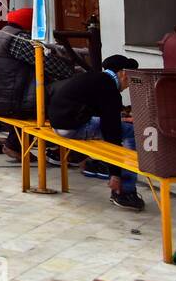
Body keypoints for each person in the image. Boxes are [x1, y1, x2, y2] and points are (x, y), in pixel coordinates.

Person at [46, 55, 143, 210]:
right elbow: (111, 132)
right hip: (73, 127)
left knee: (119, 125)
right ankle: (125, 191)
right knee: (130, 131)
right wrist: (115, 174)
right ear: (123, 73)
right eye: (130, 79)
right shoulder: (110, 89)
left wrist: (118, 118)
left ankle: (123, 187)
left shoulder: (95, 78)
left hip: (57, 124)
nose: (129, 85)